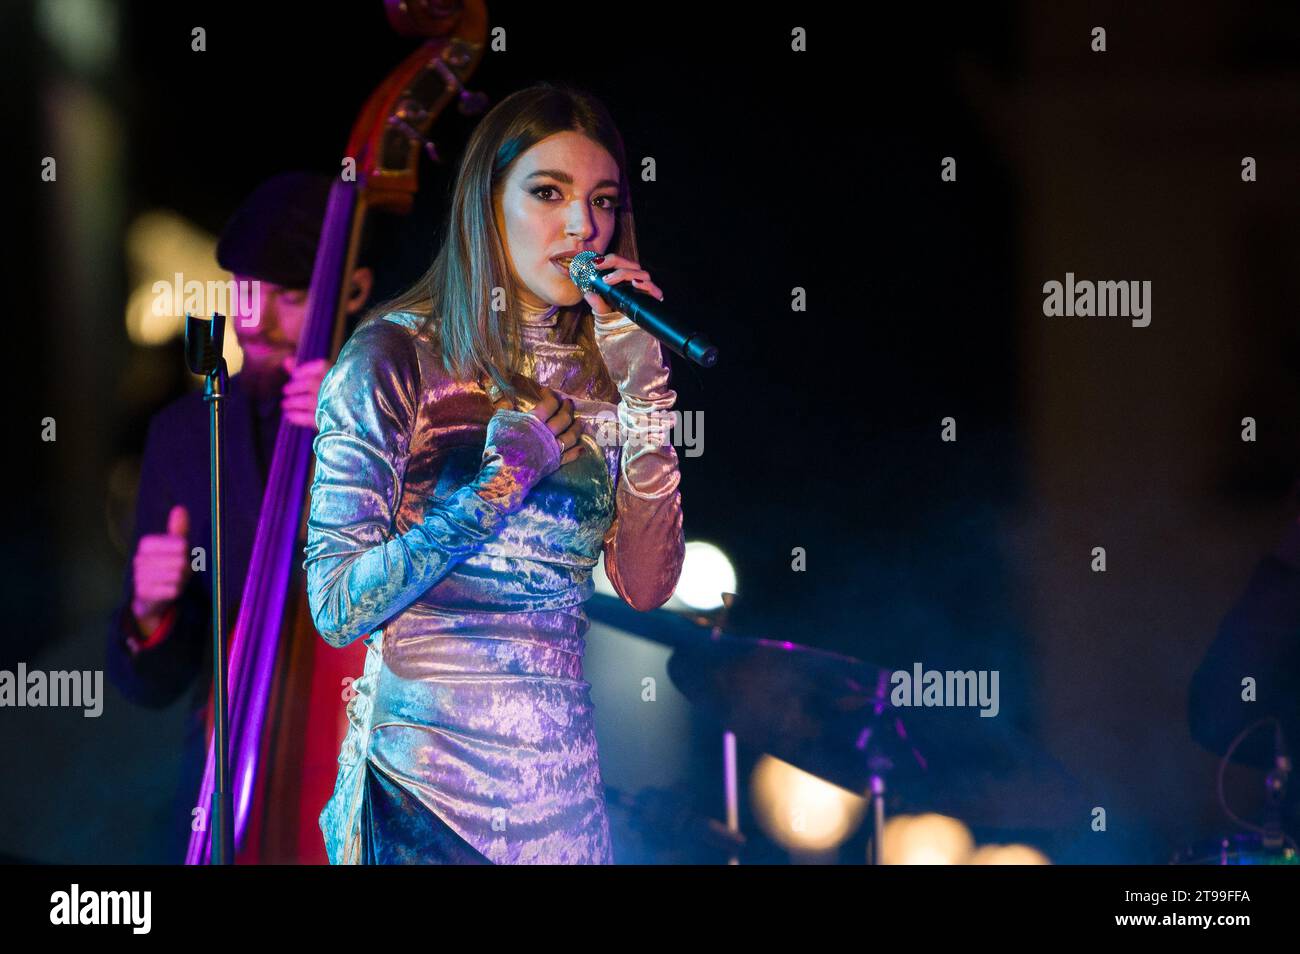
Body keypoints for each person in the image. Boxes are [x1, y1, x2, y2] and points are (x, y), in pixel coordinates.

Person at [305, 83, 686, 865]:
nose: (584, 225)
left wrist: (647, 393)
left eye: (604, 201)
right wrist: (494, 492)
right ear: (486, 203)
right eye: (549, 193)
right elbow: (337, 606)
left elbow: (648, 585)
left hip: (565, 805)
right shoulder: (395, 357)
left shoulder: (608, 375)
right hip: (424, 798)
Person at [107, 171, 374, 862]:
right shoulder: (182, 436)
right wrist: (147, 611)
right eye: (244, 294)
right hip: (231, 788)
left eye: (289, 297)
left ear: (352, 292)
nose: (254, 322)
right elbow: (152, 685)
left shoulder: (402, 420)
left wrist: (364, 442)